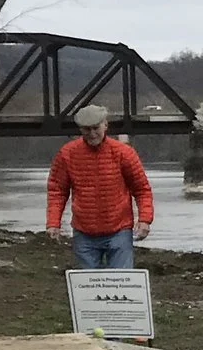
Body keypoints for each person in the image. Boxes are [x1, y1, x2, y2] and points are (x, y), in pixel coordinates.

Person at [46, 104, 153, 267]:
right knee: (89, 286)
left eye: (96, 128)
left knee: (121, 283)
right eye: (86, 129)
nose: (92, 134)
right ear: (80, 129)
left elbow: (141, 189)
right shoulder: (67, 154)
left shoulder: (124, 153)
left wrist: (145, 220)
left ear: (105, 125)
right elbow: (58, 191)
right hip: (84, 231)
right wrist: (53, 223)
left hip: (119, 229)